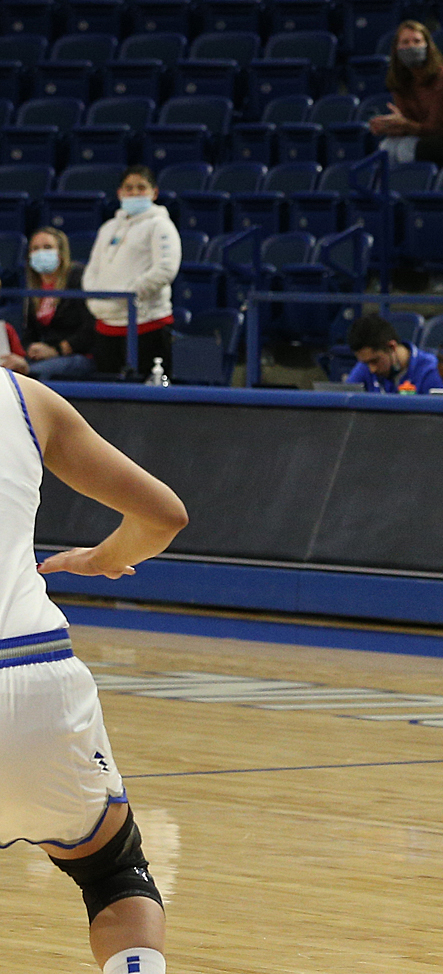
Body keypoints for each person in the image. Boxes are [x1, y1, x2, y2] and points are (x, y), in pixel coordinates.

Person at [2, 370, 190, 974]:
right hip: (32, 671)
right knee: (112, 873)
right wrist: (99, 558)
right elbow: (164, 516)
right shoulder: (25, 398)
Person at [81, 167, 180, 380]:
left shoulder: (160, 225)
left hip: (147, 326)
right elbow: (92, 271)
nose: (134, 192)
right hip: (106, 328)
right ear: (119, 193)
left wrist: (128, 296)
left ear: (154, 193)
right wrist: (96, 302)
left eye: (141, 187)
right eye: (129, 188)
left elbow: (165, 269)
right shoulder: (108, 228)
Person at [370, 20, 443, 166]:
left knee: (404, 149)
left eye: (417, 41)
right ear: (397, 49)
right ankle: (388, 188)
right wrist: (391, 126)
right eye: (405, 42)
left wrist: (404, 124)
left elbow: (436, 128)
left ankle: (413, 186)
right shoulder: (400, 79)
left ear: (428, 46)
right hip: (420, 135)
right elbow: (409, 122)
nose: (411, 46)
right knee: (386, 146)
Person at [20, 228, 98, 381]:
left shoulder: (78, 277)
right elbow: (29, 331)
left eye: (47, 247)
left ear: (61, 253)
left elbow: (90, 328)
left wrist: (57, 350)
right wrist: (31, 348)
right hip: (44, 357)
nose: (40, 252)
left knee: (30, 375)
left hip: (79, 356)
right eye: (35, 248)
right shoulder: (34, 287)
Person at [343, 314, 442, 394]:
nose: (372, 369)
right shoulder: (365, 366)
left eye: (375, 361)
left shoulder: (430, 370)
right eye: (366, 363)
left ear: (392, 347)